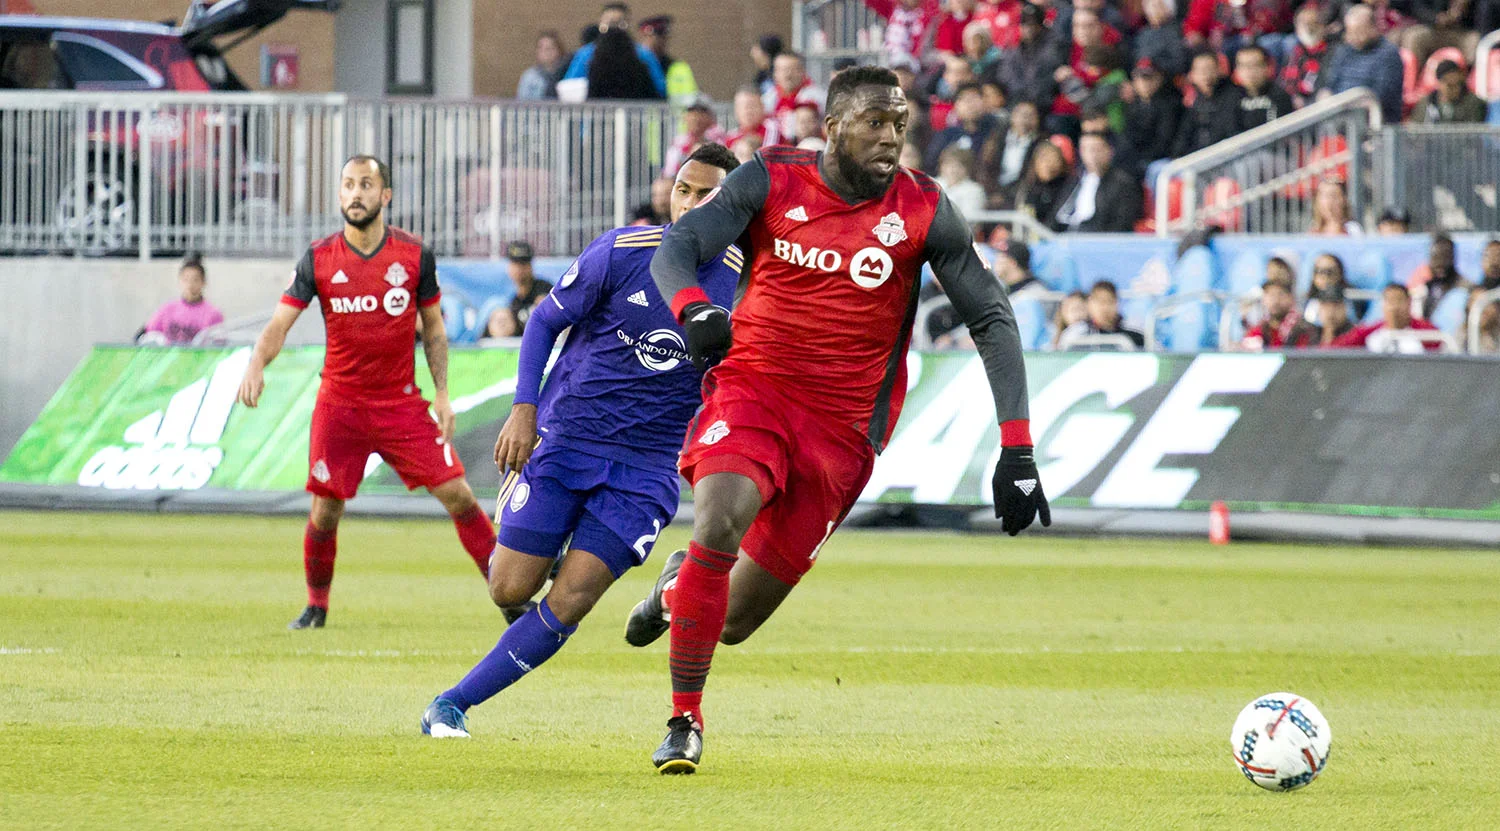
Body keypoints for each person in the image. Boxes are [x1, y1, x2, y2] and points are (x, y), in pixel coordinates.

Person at [626, 66, 1049, 774]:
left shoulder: (924, 209)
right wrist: (694, 306)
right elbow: (680, 245)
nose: (891, 138)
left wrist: (1018, 449)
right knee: (718, 517)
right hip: (753, 389)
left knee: (732, 620)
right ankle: (683, 720)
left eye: (900, 124)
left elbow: (992, 317)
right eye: (875, 123)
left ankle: (679, 586)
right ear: (832, 129)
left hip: (844, 432)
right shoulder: (769, 179)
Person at [417, 145, 743, 739]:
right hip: (569, 438)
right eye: (684, 191)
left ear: (735, 204)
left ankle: (450, 705)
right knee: (509, 587)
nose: (692, 204)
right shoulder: (622, 251)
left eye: (709, 195)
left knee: (572, 598)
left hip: (646, 469)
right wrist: (524, 407)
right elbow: (545, 321)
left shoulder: (748, 282)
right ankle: (534, 520)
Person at [236, 156, 496, 630]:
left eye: (366, 185)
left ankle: (508, 593)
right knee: (326, 509)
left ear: (386, 196)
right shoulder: (318, 259)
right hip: (340, 405)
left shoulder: (415, 257)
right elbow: (279, 323)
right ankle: (317, 605)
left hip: (400, 403)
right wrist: (256, 363)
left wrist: (441, 394)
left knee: (459, 493)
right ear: (339, 196)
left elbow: (434, 330)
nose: (356, 194)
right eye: (348, 186)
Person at [1317, 5, 1404, 125]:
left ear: (1373, 28)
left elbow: (1381, 96)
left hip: (1373, 123)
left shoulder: (1389, 54)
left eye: (1358, 31)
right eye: (1350, 32)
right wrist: (1326, 97)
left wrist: (1344, 105)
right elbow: (1330, 84)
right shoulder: (1343, 51)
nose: (1353, 37)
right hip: (1339, 117)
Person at [563, 3, 666, 98]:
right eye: (610, 23)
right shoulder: (585, 54)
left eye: (619, 23)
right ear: (600, 24)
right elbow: (571, 86)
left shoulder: (643, 55)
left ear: (627, 24)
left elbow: (659, 88)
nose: (614, 28)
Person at [1054, 131, 1143, 232]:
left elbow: (1122, 224)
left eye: (1096, 149)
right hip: (1066, 236)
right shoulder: (1074, 181)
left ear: (1110, 151)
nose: (1092, 154)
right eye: (1085, 149)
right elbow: (1057, 214)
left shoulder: (1123, 183)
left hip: (1099, 239)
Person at [1174, 49, 1247, 158]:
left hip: (1224, 157)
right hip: (1195, 158)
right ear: (1192, 75)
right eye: (1200, 70)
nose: (1204, 74)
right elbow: (1183, 136)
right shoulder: (1195, 102)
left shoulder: (1234, 95)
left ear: (1219, 70)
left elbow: (1231, 131)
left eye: (1209, 69)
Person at [1123, 58, 1183, 184]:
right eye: (1139, 78)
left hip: (1162, 159)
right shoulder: (1133, 107)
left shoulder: (1170, 105)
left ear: (1159, 79)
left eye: (1148, 78)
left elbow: (1164, 141)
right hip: (1139, 160)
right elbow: (1128, 138)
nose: (1144, 83)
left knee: (1155, 171)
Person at [139, 255, 224, 345]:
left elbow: (217, 347)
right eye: (186, 279)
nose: (190, 285)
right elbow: (146, 333)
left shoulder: (213, 315)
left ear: (203, 282)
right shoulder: (167, 309)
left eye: (195, 280)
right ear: (179, 280)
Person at [1333, 283, 1442, 352]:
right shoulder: (1367, 333)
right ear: (1383, 305)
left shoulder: (1428, 333)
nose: (1394, 307)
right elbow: (1335, 349)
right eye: (1390, 301)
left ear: (1409, 303)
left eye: (1399, 301)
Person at [995, 3, 1060, 113]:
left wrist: (1032, 97)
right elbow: (1006, 78)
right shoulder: (1013, 52)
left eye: (1033, 24)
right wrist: (1023, 97)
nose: (1028, 28)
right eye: (1024, 24)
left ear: (1041, 26)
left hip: (1043, 104)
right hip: (1018, 103)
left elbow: (1051, 78)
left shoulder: (1053, 48)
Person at [924, 82, 1002, 172]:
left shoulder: (997, 130)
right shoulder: (947, 135)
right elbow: (931, 163)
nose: (970, 105)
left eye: (974, 98)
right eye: (964, 100)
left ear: (985, 102)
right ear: (956, 107)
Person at [978, 98, 1042, 197]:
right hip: (991, 190)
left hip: (1019, 194)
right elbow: (985, 168)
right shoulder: (996, 138)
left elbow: (1030, 178)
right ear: (1012, 116)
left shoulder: (1040, 143)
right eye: (1021, 114)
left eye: (1030, 115)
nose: (1025, 119)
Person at [1058, 279, 1146, 348]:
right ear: (1090, 303)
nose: (1104, 307)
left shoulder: (1135, 334)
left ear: (1117, 303)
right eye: (1100, 302)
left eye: (1109, 301)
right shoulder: (1075, 334)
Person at [1005, 139, 1072, 225]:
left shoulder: (1067, 188)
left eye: (1054, 159)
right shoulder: (1020, 188)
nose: (1049, 164)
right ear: (1035, 161)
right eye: (1045, 158)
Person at [764, 52, 826, 145]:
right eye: (783, 70)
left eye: (792, 70)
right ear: (775, 73)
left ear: (803, 71)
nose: (788, 75)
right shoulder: (768, 99)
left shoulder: (818, 97)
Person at [586, 26, 662, 100]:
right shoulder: (640, 69)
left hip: (604, 111)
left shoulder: (596, 71)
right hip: (635, 111)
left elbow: (592, 96)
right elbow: (652, 95)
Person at [1408, 233, 1472, 320]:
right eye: (1436, 258)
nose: (1440, 263)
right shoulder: (1421, 288)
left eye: (1445, 257)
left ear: (1453, 258)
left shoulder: (1466, 289)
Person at [638, 15, 697, 109]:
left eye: (665, 35)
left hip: (669, 116)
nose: (663, 40)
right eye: (659, 35)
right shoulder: (636, 61)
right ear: (646, 34)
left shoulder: (674, 65)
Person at [1242, 278, 1317, 349]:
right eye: (1271, 295)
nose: (1275, 300)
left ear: (1291, 298)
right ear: (1264, 299)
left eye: (1280, 294)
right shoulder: (1258, 331)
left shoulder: (1304, 329)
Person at [1236, 45, 1296, 130]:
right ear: (1237, 70)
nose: (1249, 71)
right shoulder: (1229, 99)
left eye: (1255, 65)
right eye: (1244, 65)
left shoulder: (1280, 96)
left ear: (1267, 67)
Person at [663, 97, 728, 176]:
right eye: (691, 112)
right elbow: (670, 171)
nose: (695, 117)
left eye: (701, 113)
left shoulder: (719, 138)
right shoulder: (679, 142)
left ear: (711, 118)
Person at [1279, 3, 1328, 108]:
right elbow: (1282, 83)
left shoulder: (1332, 51)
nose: (1309, 28)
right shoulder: (1293, 53)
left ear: (1322, 25)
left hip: (1316, 106)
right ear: (1296, 28)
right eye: (1304, 23)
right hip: (1291, 106)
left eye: (1313, 23)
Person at [1412, 59, 1487, 125]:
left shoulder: (1473, 103)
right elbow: (1416, 131)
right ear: (1439, 83)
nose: (1455, 89)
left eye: (1458, 84)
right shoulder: (1426, 104)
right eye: (1449, 85)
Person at [505, 241, 554, 334]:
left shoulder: (545, 289)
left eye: (523, 264)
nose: (519, 269)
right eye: (515, 264)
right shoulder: (514, 301)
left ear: (530, 266)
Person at [1133, 0, 1190, 79]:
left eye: (1158, 6)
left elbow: (1179, 61)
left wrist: (1155, 64)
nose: (1153, 10)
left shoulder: (1175, 32)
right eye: (1151, 6)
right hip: (1142, 75)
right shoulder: (1142, 33)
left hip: (1165, 78)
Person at [936, 146, 988, 220]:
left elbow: (970, 220)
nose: (953, 169)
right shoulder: (932, 184)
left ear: (967, 169)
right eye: (948, 164)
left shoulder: (975, 190)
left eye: (958, 165)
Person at [724, 85, 782, 150]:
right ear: (736, 111)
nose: (748, 111)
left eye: (752, 106)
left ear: (762, 107)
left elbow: (767, 157)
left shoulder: (772, 128)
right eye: (742, 107)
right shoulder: (731, 136)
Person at [517, 31, 568, 100]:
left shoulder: (566, 74)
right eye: (541, 48)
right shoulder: (529, 76)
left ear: (559, 50)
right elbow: (522, 103)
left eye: (549, 48)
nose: (545, 52)